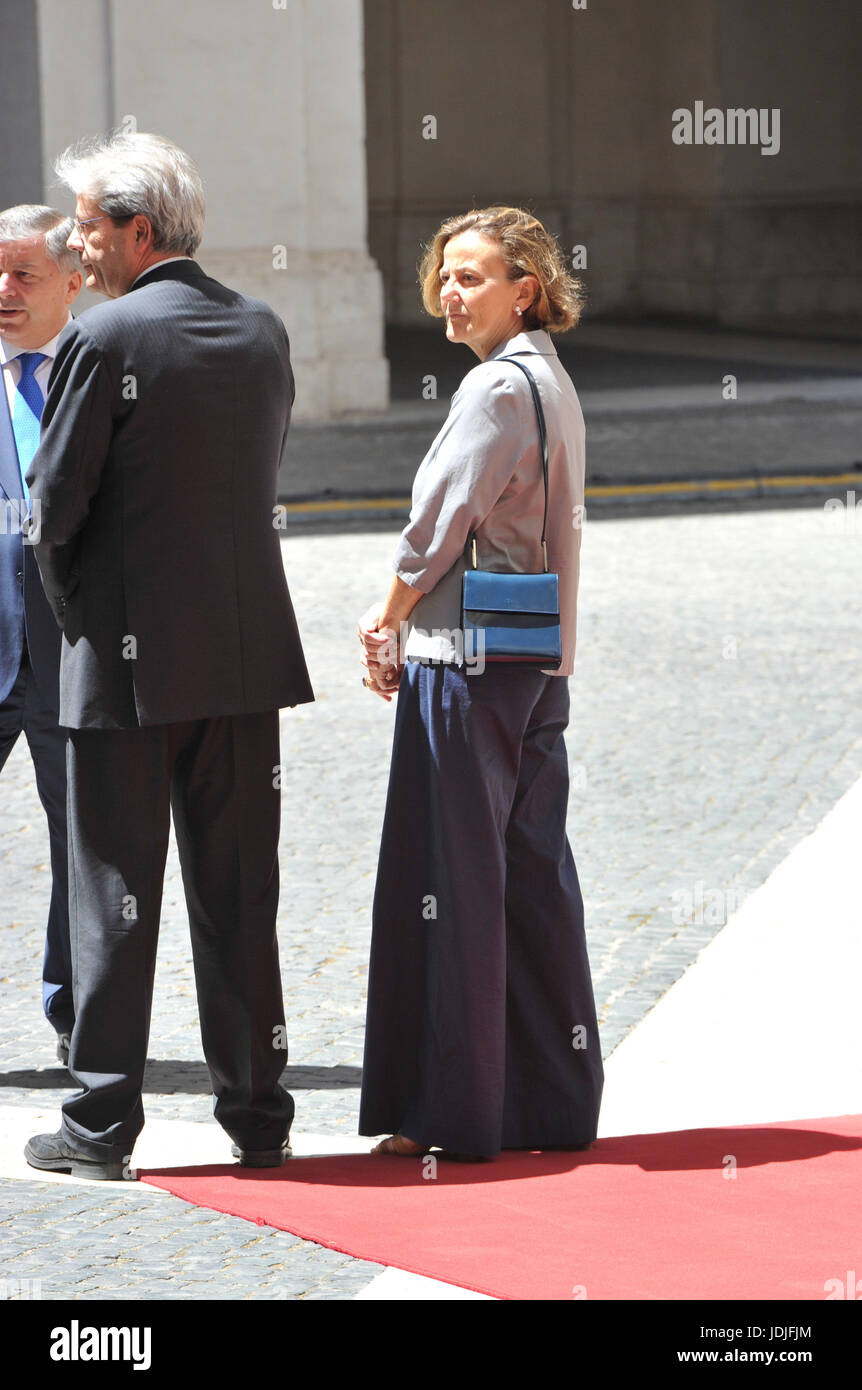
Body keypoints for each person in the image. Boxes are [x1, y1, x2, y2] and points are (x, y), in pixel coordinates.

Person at [24, 132, 313, 1181]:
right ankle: (259, 1118)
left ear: (138, 230)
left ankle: (102, 1126)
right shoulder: (261, 326)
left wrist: (82, 620)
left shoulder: (104, 336)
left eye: (87, 223)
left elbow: (54, 513)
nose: (74, 240)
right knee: (241, 895)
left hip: (124, 666)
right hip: (242, 664)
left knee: (114, 894)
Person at [357, 206, 603, 1159]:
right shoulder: (551, 381)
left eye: (473, 276)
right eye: (445, 275)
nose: (451, 293)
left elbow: (437, 526)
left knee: (449, 886)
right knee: (533, 881)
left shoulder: (496, 391)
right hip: (536, 661)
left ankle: (452, 1117)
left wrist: (383, 618)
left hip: (467, 661)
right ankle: (548, 1102)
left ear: (526, 289)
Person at [0, 206, 82, 1064]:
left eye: (23, 274)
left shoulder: (105, 372)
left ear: (73, 280)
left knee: (82, 850)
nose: (4, 291)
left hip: (74, 660)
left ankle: (78, 1018)